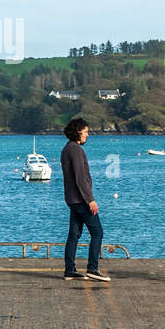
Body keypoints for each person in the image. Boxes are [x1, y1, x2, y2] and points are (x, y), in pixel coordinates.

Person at [60, 118, 109, 282]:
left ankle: (70, 270)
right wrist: (90, 200)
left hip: (72, 199)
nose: (88, 135)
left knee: (74, 234)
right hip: (81, 200)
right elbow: (81, 178)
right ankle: (93, 268)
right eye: (86, 131)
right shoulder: (76, 150)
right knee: (97, 232)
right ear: (78, 132)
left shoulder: (67, 149)